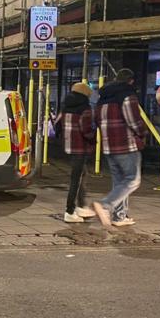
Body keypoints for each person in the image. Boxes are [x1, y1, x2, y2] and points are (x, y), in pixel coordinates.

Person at [93, 68, 148, 227]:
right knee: (133, 180)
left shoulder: (102, 99)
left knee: (119, 183)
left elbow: (97, 121)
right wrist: (143, 133)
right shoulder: (127, 95)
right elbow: (133, 121)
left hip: (108, 146)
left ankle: (119, 216)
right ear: (131, 81)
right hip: (126, 144)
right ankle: (104, 205)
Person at [58, 82, 97, 223]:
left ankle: (81, 206)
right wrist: (93, 137)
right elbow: (86, 131)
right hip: (80, 147)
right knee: (76, 179)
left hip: (69, 145)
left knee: (81, 174)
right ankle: (70, 211)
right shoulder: (85, 109)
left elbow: (58, 125)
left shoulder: (65, 107)